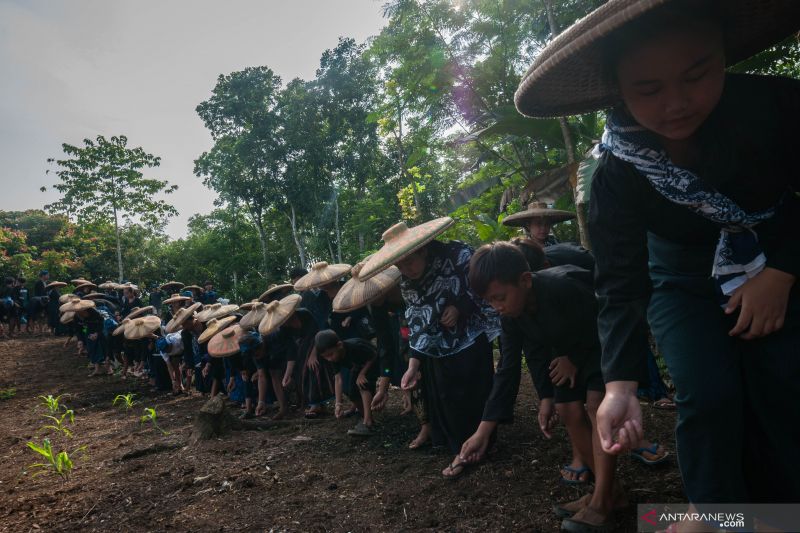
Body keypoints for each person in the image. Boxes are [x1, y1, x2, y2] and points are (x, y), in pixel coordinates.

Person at [515, 0, 800, 527]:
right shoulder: (617, 174)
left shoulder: (777, 107)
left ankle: (781, 515)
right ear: (618, 89)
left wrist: (781, 270)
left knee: (781, 384)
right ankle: (718, 515)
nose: (676, 104)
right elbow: (620, 283)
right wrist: (620, 386)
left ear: (724, 56)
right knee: (706, 393)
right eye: (649, 90)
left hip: (777, 257)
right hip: (680, 281)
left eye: (697, 75)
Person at [460, 242, 623, 530]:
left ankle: (601, 504)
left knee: (597, 406)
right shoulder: (511, 316)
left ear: (525, 280)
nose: (496, 307)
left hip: (600, 346)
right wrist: (484, 430)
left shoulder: (563, 287)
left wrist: (573, 357)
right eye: (490, 301)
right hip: (564, 354)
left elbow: (604, 321)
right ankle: (608, 492)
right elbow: (509, 368)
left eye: (500, 297)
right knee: (567, 409)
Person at [359, 217, 501, 478]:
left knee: (476, 390)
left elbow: (484, 287)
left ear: (423, 248)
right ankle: (461, 449)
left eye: (410, 261)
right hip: (437, 345)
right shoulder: (407, 284)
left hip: (471, 334)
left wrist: (460, 307)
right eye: (400, 264)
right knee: (447, 395)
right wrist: (413, 365)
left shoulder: (459, 255)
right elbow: (417, 322)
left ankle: (484, 442)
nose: (407, 268)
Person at [315, 329, 379, 437]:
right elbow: (338, 379)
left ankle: (368, 422)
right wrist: (338, 404)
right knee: (352, 393)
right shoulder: (333, 358)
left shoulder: (355, 346)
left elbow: (373, 356)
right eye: (325, 357)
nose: (329, 359)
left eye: (330, 355)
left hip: (373, 363)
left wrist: (362, 374)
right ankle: (364, 415)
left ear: (339, 345)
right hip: (358, 366)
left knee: (363, 385)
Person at [502, 201, 576, 247]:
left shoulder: (555, 243)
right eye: (538, 224)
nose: (543, 228)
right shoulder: (522, 246)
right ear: (528, 225)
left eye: (546, 224)